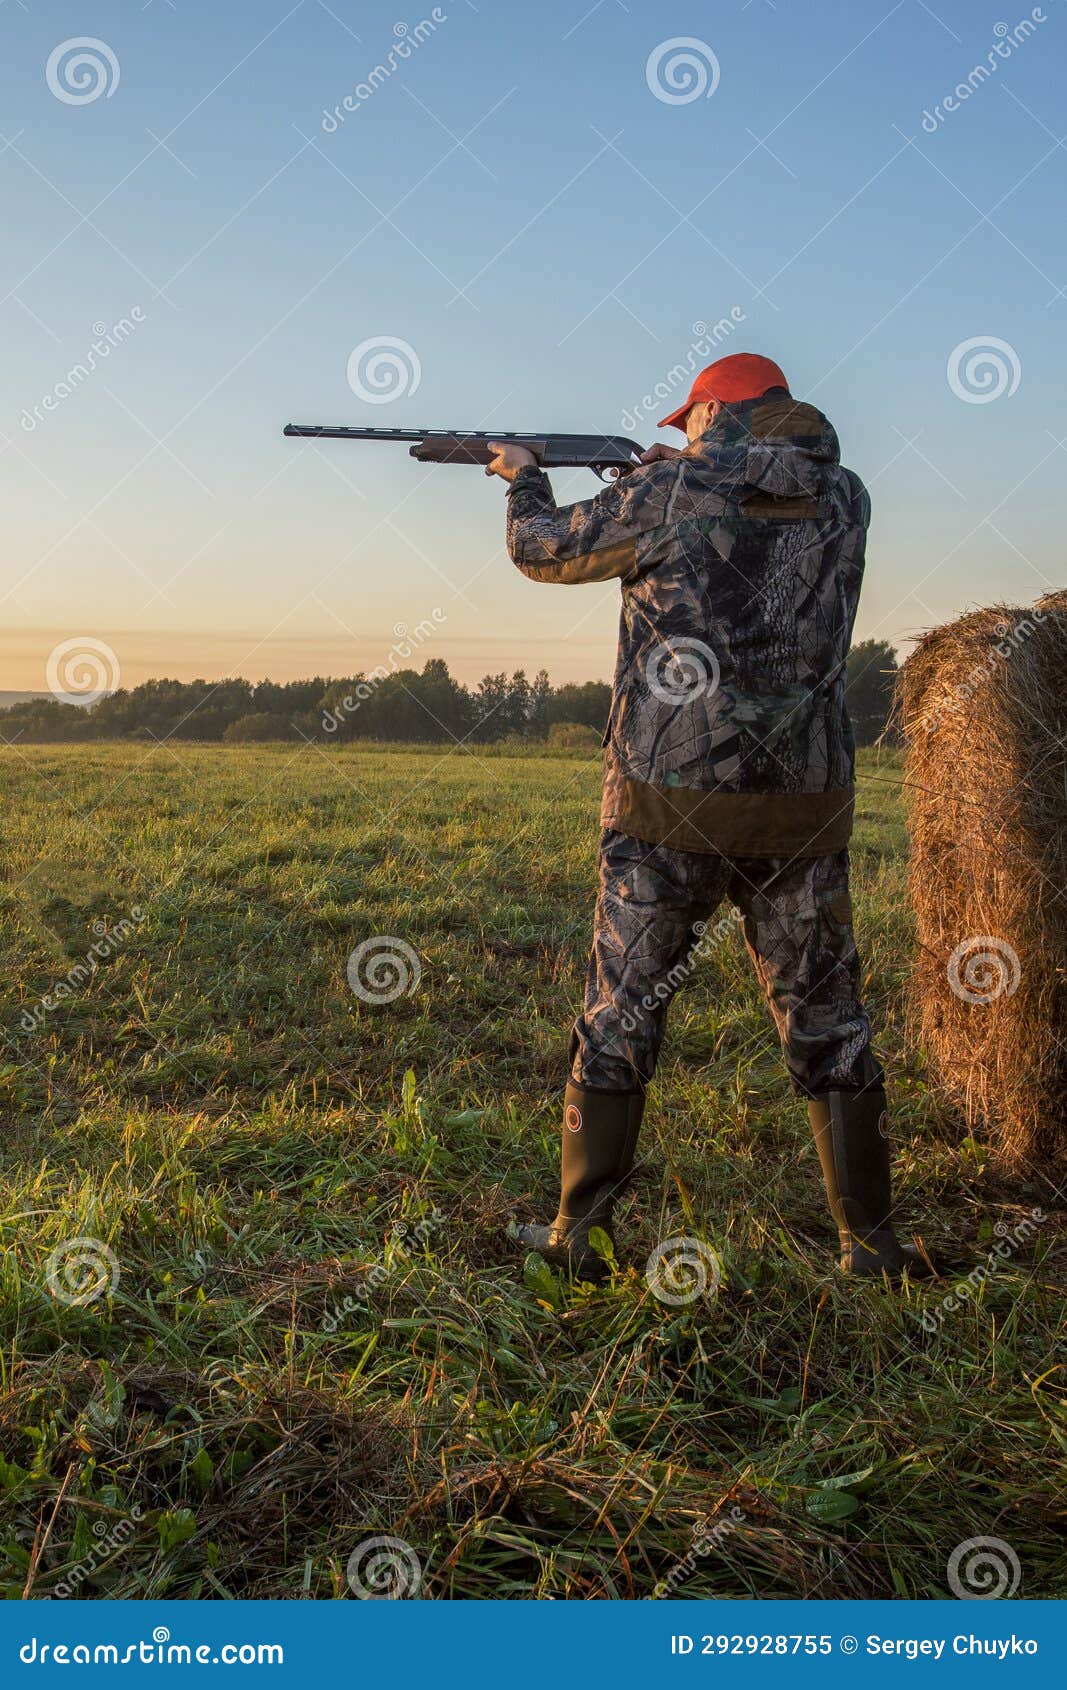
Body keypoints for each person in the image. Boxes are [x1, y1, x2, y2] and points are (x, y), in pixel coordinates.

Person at [484, 352, 929, 1280]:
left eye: (689, 418)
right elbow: (750, 513)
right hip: (800, 812)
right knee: (828, 1018)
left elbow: (544, 551)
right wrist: (659, 475)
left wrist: (523, 480)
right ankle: (872, 1244)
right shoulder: (846, 496)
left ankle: (579, 1240)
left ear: (713, 412)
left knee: (619, 1016)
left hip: (665, 811)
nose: (681, 431)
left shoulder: (672, 489)